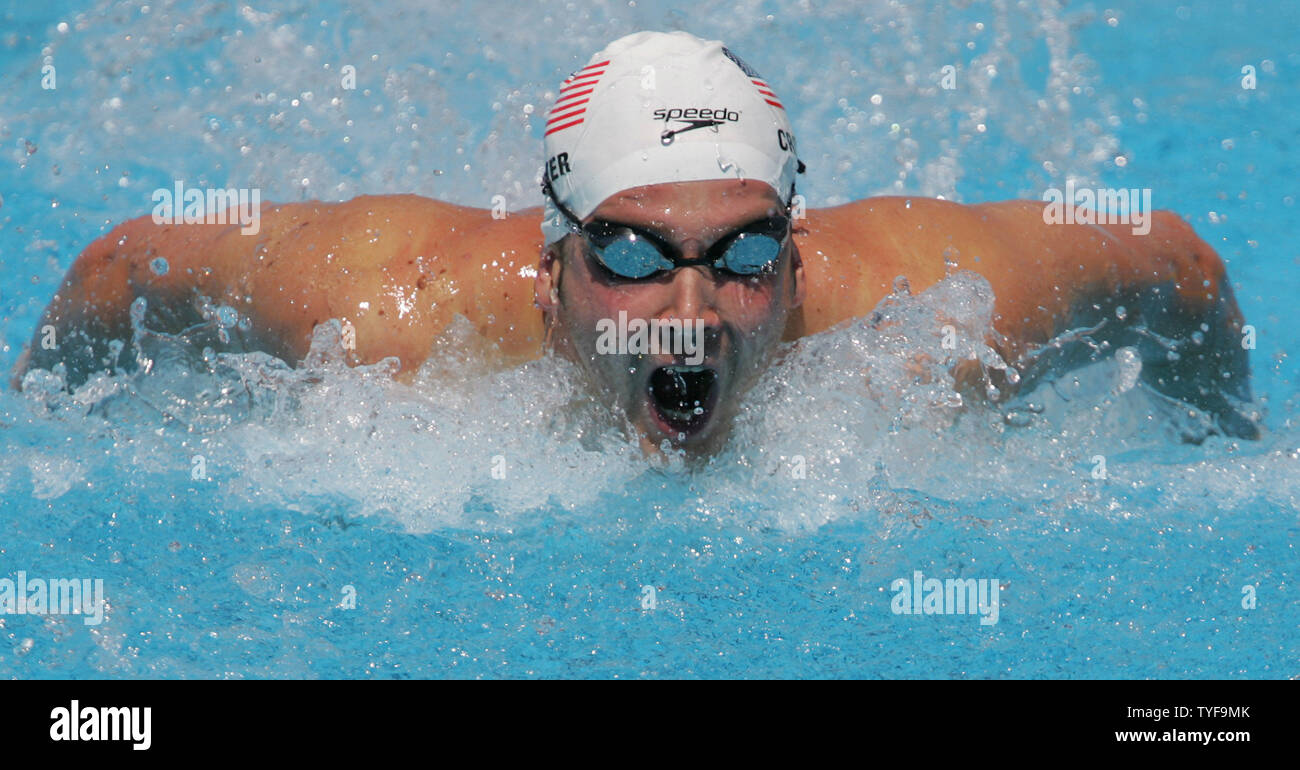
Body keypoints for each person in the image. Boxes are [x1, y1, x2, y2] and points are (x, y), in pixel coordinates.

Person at [13, 31, 1258, 454]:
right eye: (629, 255)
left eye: (744, 255)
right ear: (551, 267)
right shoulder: (395, 321)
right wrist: (34, 423)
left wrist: (1226, 445)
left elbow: (1175, 260)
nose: (691, 305)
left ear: (800, 252)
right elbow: (128, 263)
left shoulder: (928, 316)